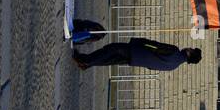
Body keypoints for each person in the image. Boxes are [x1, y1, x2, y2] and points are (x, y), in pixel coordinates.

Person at [73, 38, 202, 71]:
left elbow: (155, 46)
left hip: (137, 51)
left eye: (191, 49)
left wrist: (141, 42)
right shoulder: (174, 66)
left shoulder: (175, 51)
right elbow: (153, 67)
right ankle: (87, 63)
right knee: (110, 60)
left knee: (110, 49)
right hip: (137, 61)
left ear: (190, 53)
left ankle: (86, 60)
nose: (189, 47)